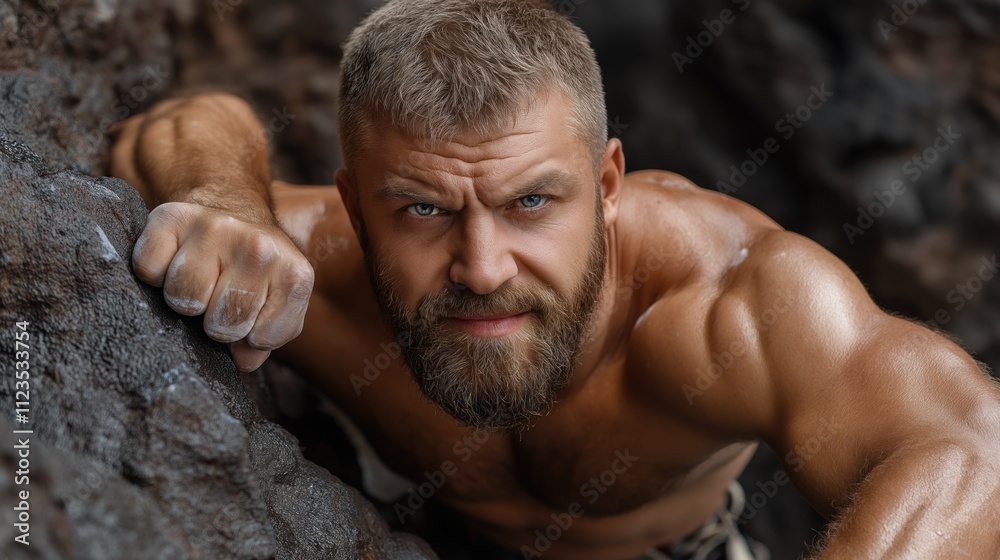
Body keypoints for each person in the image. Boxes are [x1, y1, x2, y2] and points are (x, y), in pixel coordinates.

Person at [108, 0, 1000, 558]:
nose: (483, 267)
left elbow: (972, 446)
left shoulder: (723, 303)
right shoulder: (308, 268)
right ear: (353, 201)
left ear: (608, 186)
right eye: (421, 210)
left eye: (533, 201)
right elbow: (184, 122)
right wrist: (224, 202)